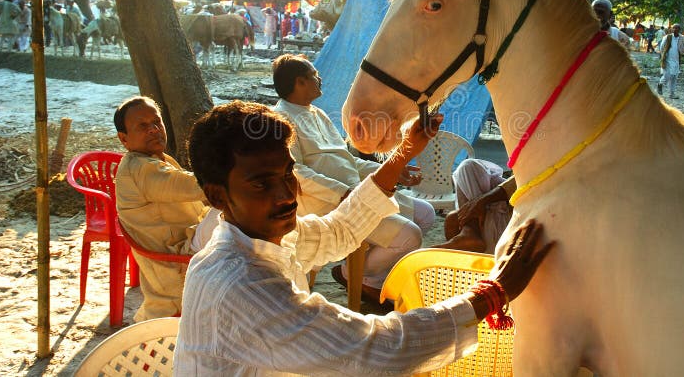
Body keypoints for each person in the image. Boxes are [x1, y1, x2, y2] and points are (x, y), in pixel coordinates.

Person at [174, 100, 554, 375]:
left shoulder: (262, 237)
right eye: (261, 184)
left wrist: (404, 153)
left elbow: (338, 230)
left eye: (288, 174)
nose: (286, 195)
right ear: (218, 195)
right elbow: (376, 351)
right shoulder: (242, 285)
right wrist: (494, 293)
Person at [272, 54, 436, 306]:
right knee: (410, 236)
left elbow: (349, 160)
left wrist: (392, 169)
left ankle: (368, 277)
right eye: (314, 75)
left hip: (356, 192)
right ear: (300, 82)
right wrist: (342, 193)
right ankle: (353, 274)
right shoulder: (281, 119)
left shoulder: (317, 114)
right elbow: (297, 174)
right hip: (327, 204)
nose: (320, 79)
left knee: (426, 214)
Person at [113, 96, 219, 321]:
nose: (153, 130)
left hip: (190, 245)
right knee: (236, 208)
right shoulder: (139, 169)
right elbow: (198, 186)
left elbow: (198, 194)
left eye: (156, 122)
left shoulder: (156, 160)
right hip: (178, 260)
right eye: (142, 126)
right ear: (124, 138)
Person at [435, 159, 516, 253]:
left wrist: (481, 200)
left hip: (514, 218)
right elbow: (511, 184)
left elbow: (522, 184)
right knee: (468, 167)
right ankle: (469, 230)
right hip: (503, 210)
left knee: (467, 166)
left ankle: (470, 230)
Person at [657, 23, 684, 99]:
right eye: (674, 28)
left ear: (679, 30)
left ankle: (672, 94)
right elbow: (662, 47)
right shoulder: (667, 37)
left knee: (674, 77)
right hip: (667, 59)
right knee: (667, 75)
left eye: (677, 28)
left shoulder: (682, 38)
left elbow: (683, 49)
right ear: (671, 29)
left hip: (676, 60)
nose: (675, 29)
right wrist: (663, 56)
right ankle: (660, 84)